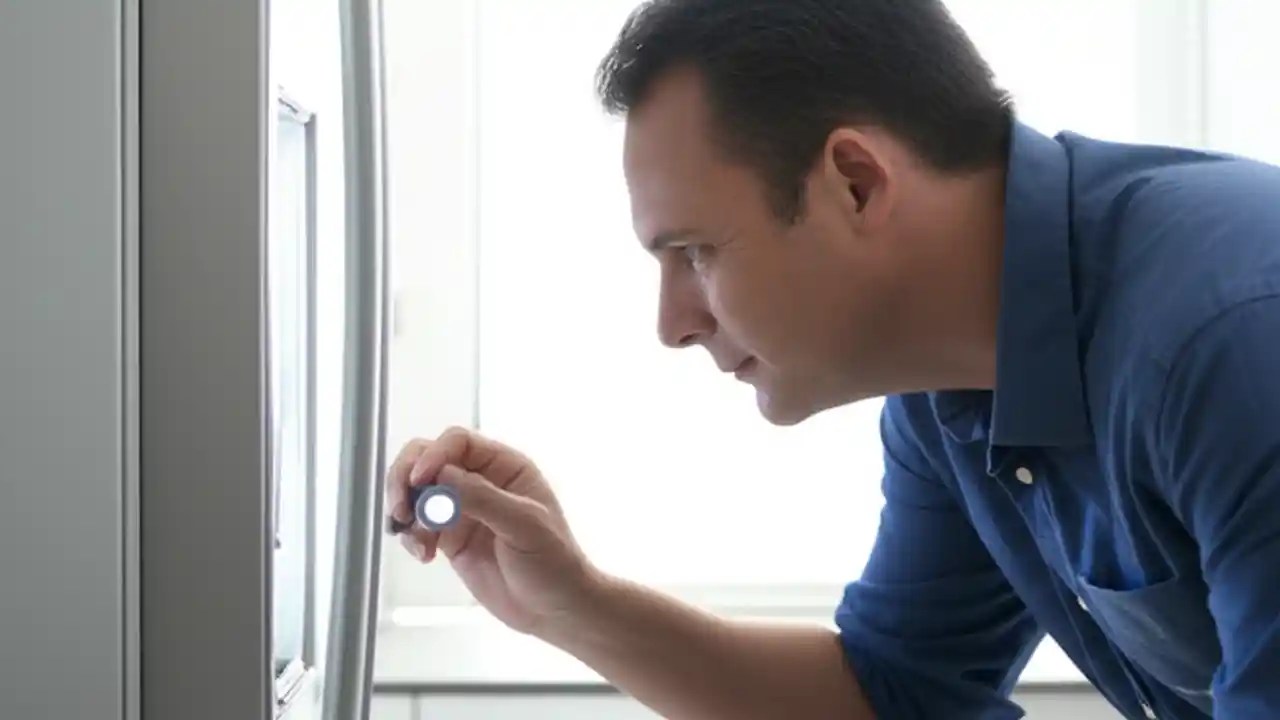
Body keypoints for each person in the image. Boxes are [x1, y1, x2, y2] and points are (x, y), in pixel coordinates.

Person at [384, 1, 1280, 718]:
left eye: (694, 251)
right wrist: (570, 602)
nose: (672, 324)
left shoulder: (1228, 344)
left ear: (855, 182)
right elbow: (891, 697)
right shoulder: (950, 396)